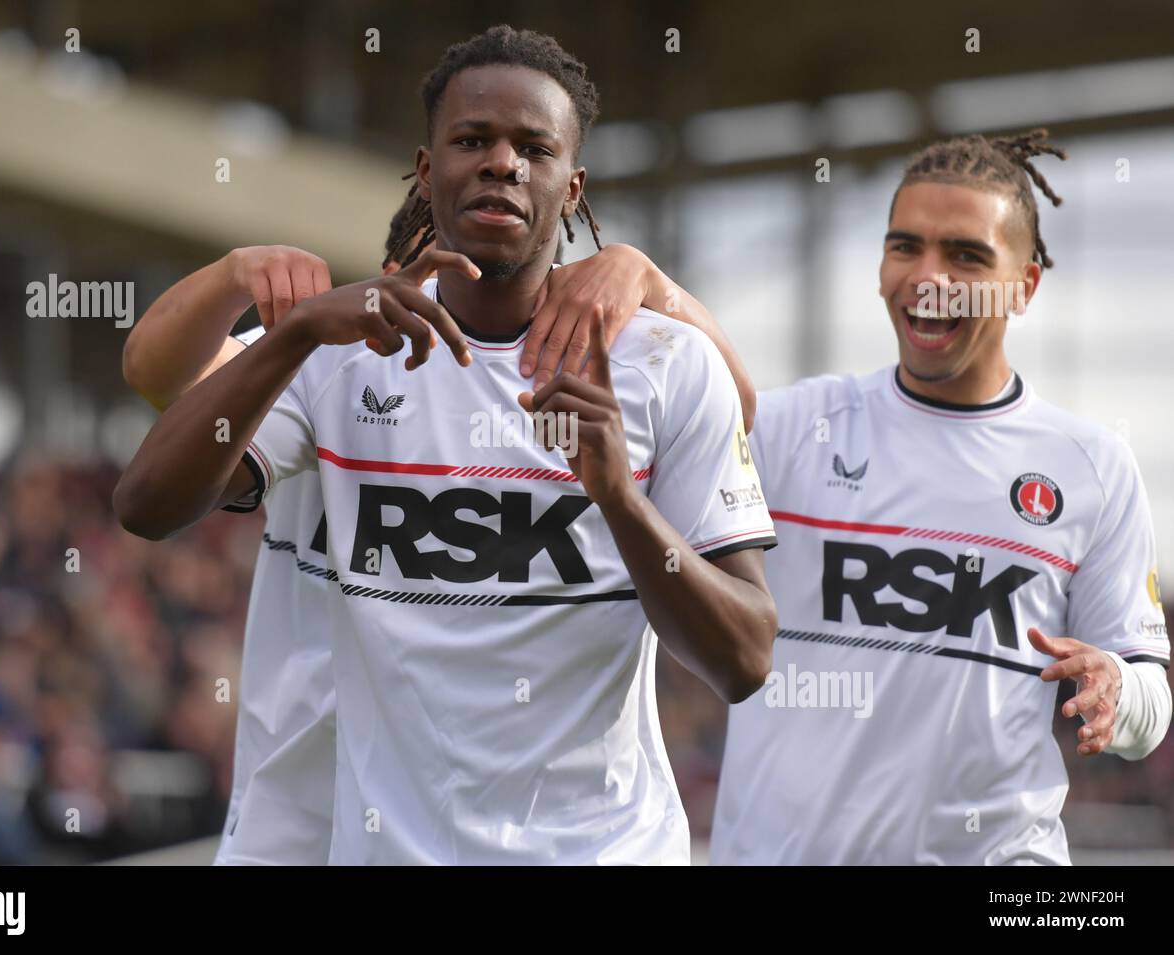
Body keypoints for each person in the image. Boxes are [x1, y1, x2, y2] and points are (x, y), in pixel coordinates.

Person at [114, 24, 777, 864]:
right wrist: (291, 336)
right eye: (473, 140)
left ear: (573, 188)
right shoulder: (338, 355)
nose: (502, 161)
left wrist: (618, 497)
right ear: (427, 170)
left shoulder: (664, 364)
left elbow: (747, 658)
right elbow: (143, 503)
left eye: (532, 147)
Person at [710, 129, 1171, 865]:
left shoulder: (1091, 467)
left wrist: (1120, 685)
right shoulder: (790, 430)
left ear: (1025, 283)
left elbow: (1150, 702)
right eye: (904, 247)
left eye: (965, 254)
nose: (928, 276)